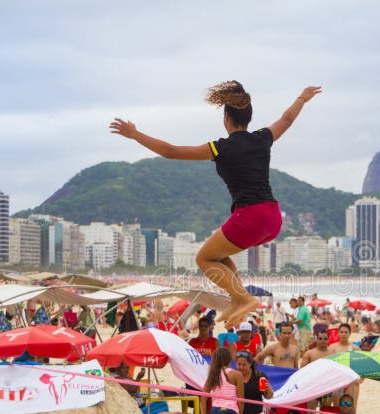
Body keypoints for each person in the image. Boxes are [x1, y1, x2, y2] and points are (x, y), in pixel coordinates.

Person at [110, 82, 321, 327]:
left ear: (226, 118)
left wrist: (135, 134)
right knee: (218, 255)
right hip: (273, 217)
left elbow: (171, 151)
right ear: (248, 117)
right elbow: (286, 119)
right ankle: (238, 298)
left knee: (203, 259)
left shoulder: (220, 148)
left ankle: (244, 298)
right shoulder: (263, 138)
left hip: (250, 216)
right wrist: (302, 98)